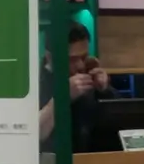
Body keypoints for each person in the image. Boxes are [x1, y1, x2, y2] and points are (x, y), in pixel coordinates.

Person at [39, 25, 110, 154]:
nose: (80, 65)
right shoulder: (35, 84)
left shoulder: (87, 75)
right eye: (72, 60)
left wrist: (104, 90)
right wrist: (63, 97)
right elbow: (34, 135)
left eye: (84, 57)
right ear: (50, 57)